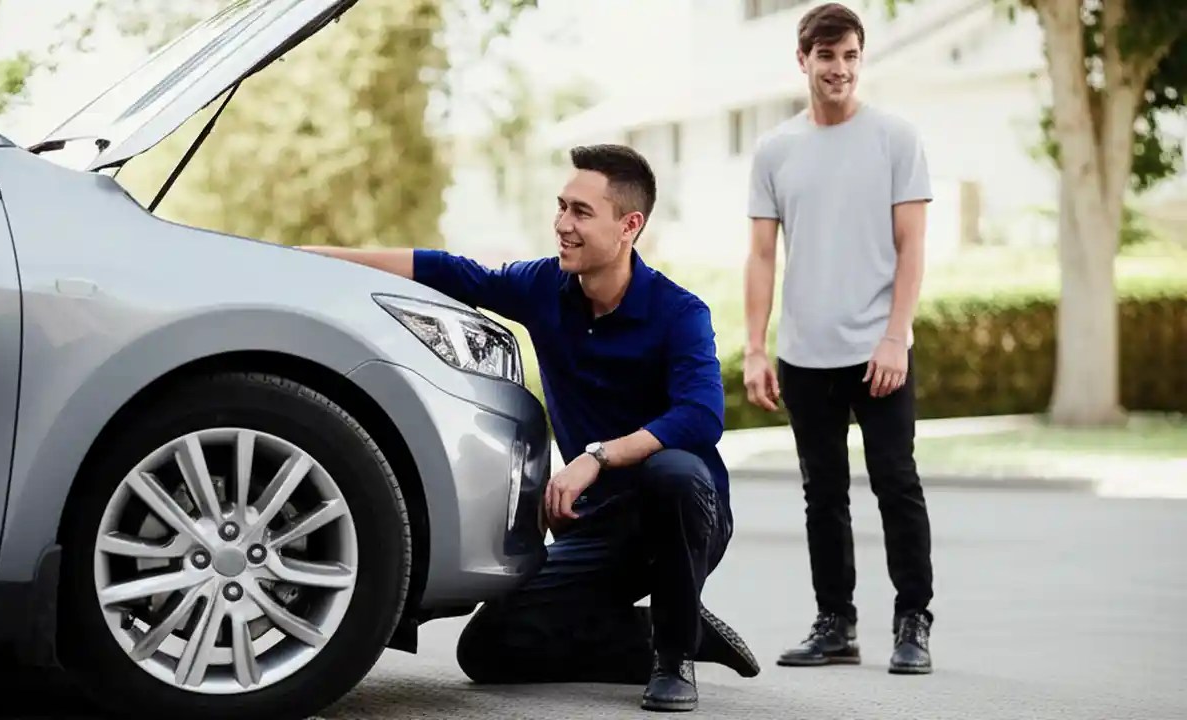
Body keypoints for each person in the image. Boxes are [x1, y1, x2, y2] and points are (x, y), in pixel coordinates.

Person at [300, 143, 759, 712]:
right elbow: (450, 272)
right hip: (596, 529)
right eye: (562, 207)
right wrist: (306, 259)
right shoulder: (546, 288)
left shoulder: (679, 312)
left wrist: (597, 456)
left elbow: (701, 415)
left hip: (684, 518)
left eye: (582, 213)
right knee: (490, 650)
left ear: (629, 226)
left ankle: (673, 660)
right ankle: (676, 626)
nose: (562, 224)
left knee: (675, 471)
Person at [742, 2, 935, 675]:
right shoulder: (775, 149)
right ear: (804, 61)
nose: (840, 69)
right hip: (804, 354)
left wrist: (895, 337)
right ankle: (837, 623)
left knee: (896, 483)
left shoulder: (896, 138)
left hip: (879, 352)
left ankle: (914, 620)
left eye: (851, 55)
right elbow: (762, 255)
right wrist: (757, 347)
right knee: (822, 493)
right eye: (827, 56)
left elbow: (911, 249)